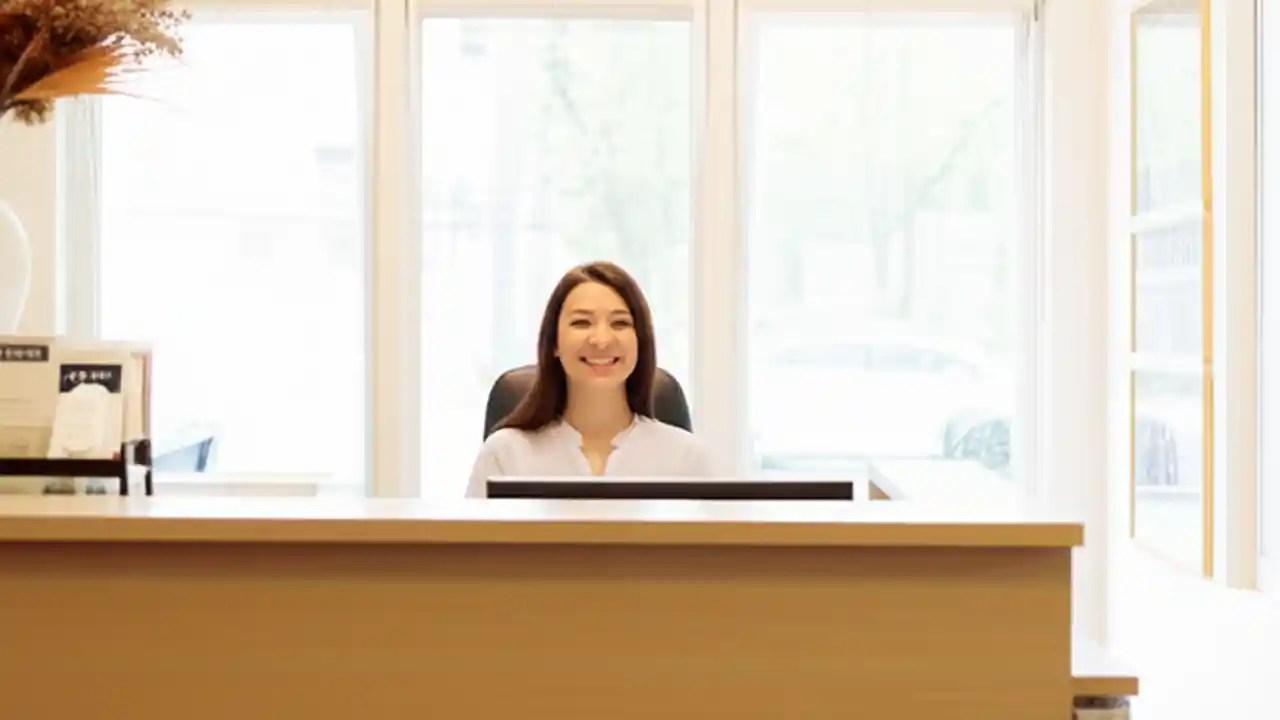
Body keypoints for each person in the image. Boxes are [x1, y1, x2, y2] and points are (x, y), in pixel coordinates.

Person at [466, 261, 711, 497]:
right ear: (554, 343)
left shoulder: (686, 458)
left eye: (620, 323)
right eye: (582, 323)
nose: (601, 340)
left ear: (640, 342)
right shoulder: (505, 454)